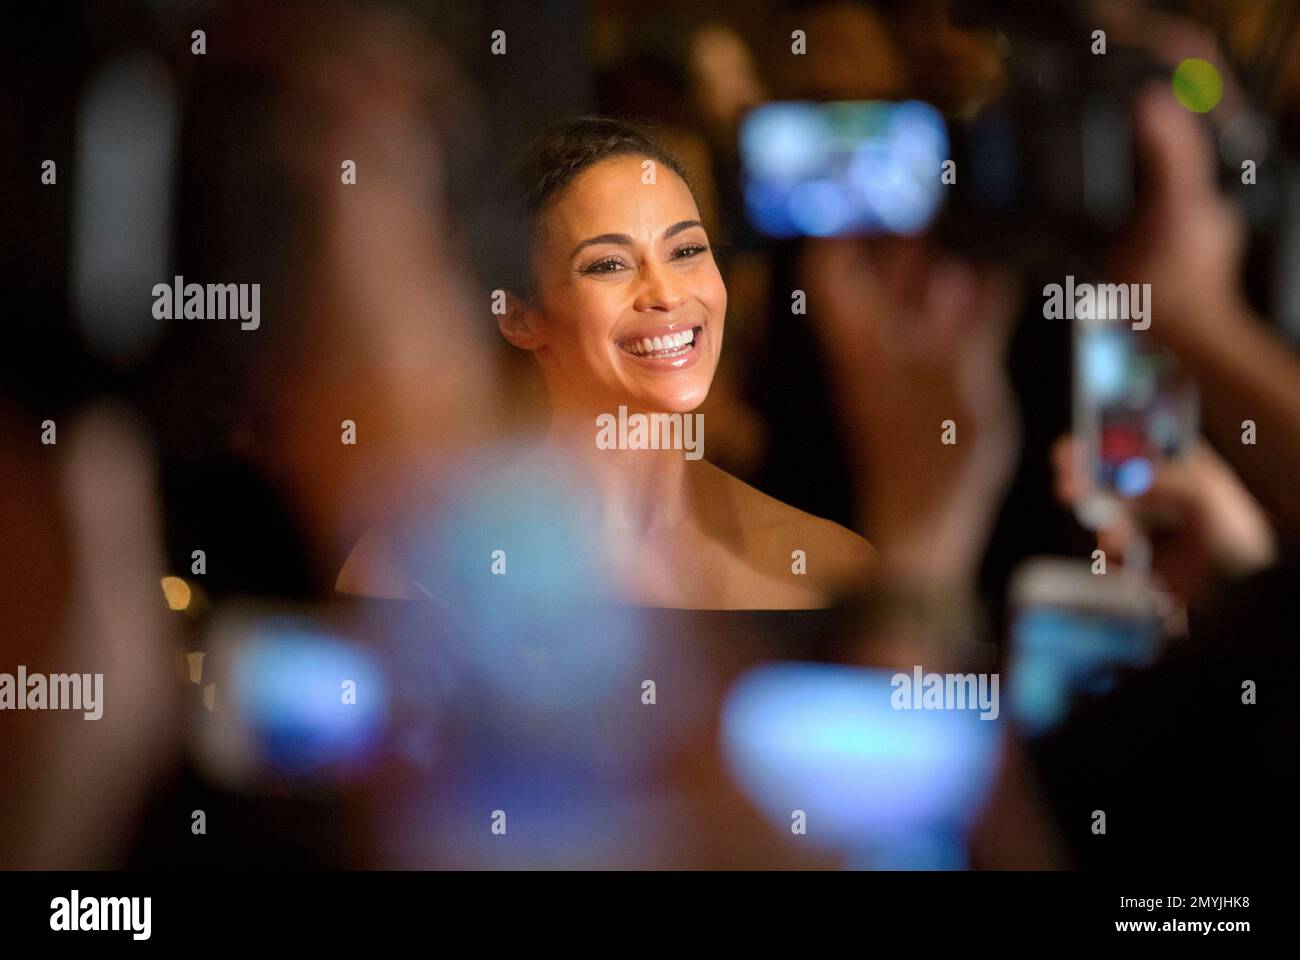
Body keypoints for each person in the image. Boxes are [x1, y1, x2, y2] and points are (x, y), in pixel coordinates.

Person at [338, 117, 875, 609]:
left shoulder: (830, 566)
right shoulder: (417, 565)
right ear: (518, 316)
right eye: (609, 265)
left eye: (686, 251)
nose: (666, 294)